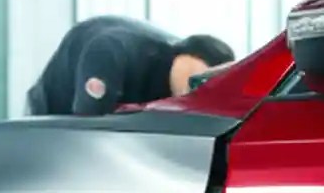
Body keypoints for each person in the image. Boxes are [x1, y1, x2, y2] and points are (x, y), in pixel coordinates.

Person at [25, 15, 235, 118]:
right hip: (53, 113)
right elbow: (88, 127)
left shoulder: (177, 90)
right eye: (205, 76)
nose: (204, 86)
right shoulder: (112, 52)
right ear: (186, 55)